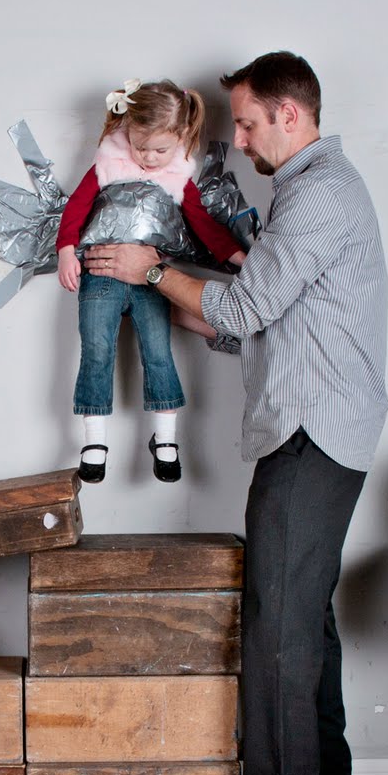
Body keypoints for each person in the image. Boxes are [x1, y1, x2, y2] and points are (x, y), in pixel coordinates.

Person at [83, 52, 388, 775]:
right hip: (315, 425)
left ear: (291, 114)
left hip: (312, 431)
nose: (241, 142)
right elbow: (258, 322)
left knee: (278, 626)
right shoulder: (308, 196)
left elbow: (247, 306)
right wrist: (152, 291)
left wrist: (156, 269)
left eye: (248, 124)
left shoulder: (321, 192)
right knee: (305, 619)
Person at [57, 78, 246, 484]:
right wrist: (66, 250)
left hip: (150, 280)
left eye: (160, 150)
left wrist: (238, 257)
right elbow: (76, 206)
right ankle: (94, 442)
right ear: (128, 130)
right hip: (101, 276)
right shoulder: (109, 163)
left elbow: (204, 225)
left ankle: (165, 440)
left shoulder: (177, 175)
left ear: (181, 137)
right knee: (97, 350)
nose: (148, 158)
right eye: (140, 146)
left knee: (158, 352)